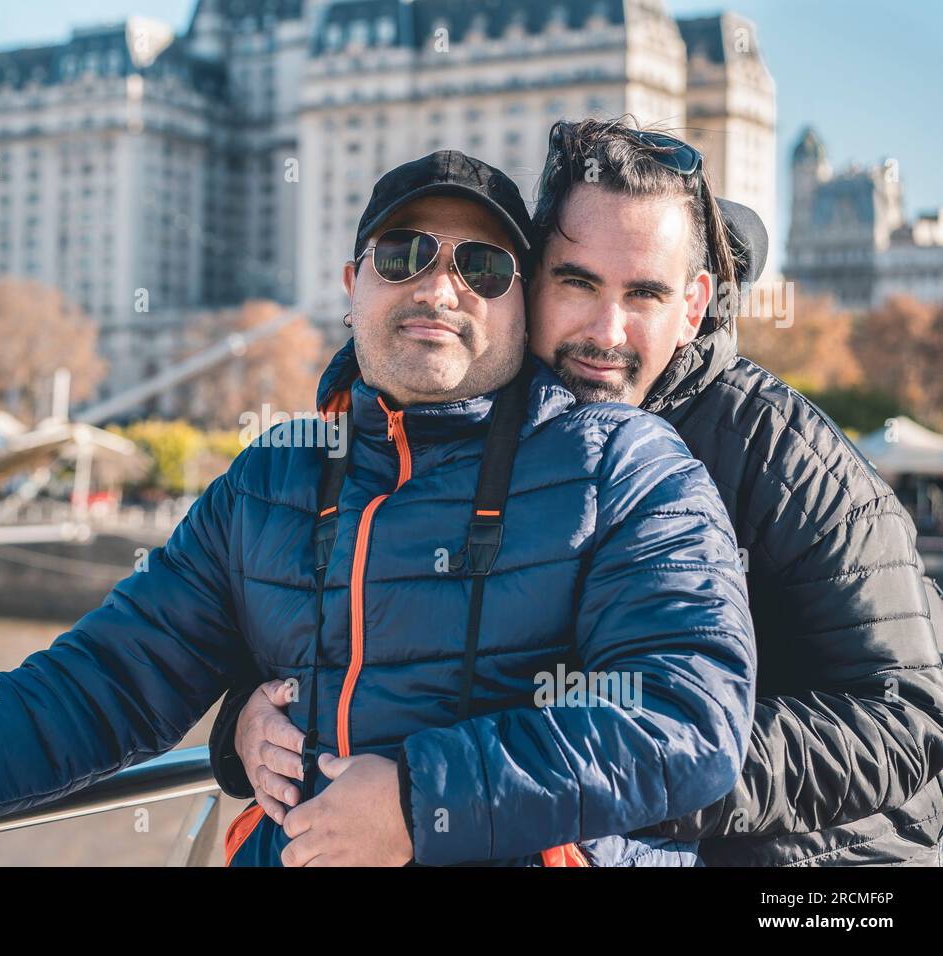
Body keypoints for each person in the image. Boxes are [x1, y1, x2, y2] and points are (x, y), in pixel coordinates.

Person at [0, 150, 755, 867]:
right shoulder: (273, 476)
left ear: (518, 304)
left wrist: (421, 802)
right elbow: (109, 674)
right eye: (404, 252)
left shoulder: (627, 467)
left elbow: (688, 711)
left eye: (482, 266)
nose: (439, 286)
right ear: (351, 283)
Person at [216, 121, 943, 867]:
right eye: (578, 283)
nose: (607, 332)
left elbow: (907, 719)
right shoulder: (477, 417)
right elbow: (376, 618)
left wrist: (615, 778)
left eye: (645, 294)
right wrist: (247, 724)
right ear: (526, 279)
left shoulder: (786, 454)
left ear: (693, 306)